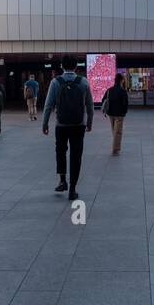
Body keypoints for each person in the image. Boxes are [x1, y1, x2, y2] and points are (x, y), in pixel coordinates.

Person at [41, 54, 93, 200]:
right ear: (76, 66)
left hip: (61, 125)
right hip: (78, 125)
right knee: (76, 156)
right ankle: (73, 189)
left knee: (60, 152)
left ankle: (62, 180)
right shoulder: (83, 82)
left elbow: (48, 105)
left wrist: (45, 123)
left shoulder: (55, 82)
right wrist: (89, 122)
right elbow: (90, 106)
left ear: (62, 66)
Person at [102, 72, 130, 155]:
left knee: (114, 130)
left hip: (111, 114)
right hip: (119, 114)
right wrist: (124, 112)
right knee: (118, 132)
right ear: (121, 80)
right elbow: (125, 103)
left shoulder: (109, 90)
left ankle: (115, 146)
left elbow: (103, 100)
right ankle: (115, 148)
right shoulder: (122, 91)